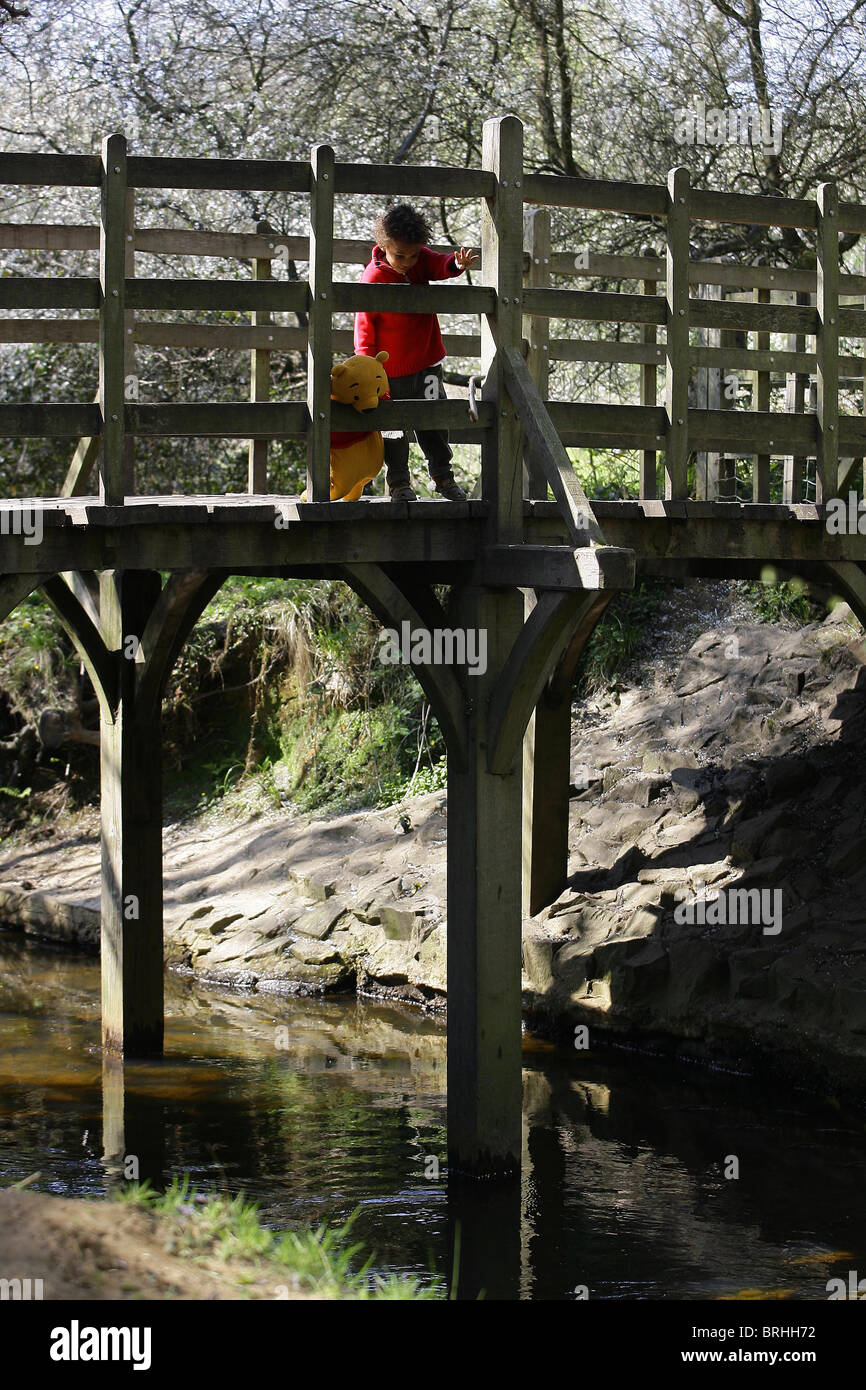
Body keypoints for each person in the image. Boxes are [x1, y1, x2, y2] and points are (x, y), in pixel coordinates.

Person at [353, 203, 477, 501]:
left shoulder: (420, 260)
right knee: (393, 428)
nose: (408, 262)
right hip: (389, 372)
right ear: (383, 247)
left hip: (427, 364)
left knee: (433, 420)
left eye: (414, 254)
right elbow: (365, 331)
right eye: (400, 255)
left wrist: (456, 265)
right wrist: (371, 371)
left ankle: (443, 477)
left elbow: (438, 264)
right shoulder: (373, 279)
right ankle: (398, 483)